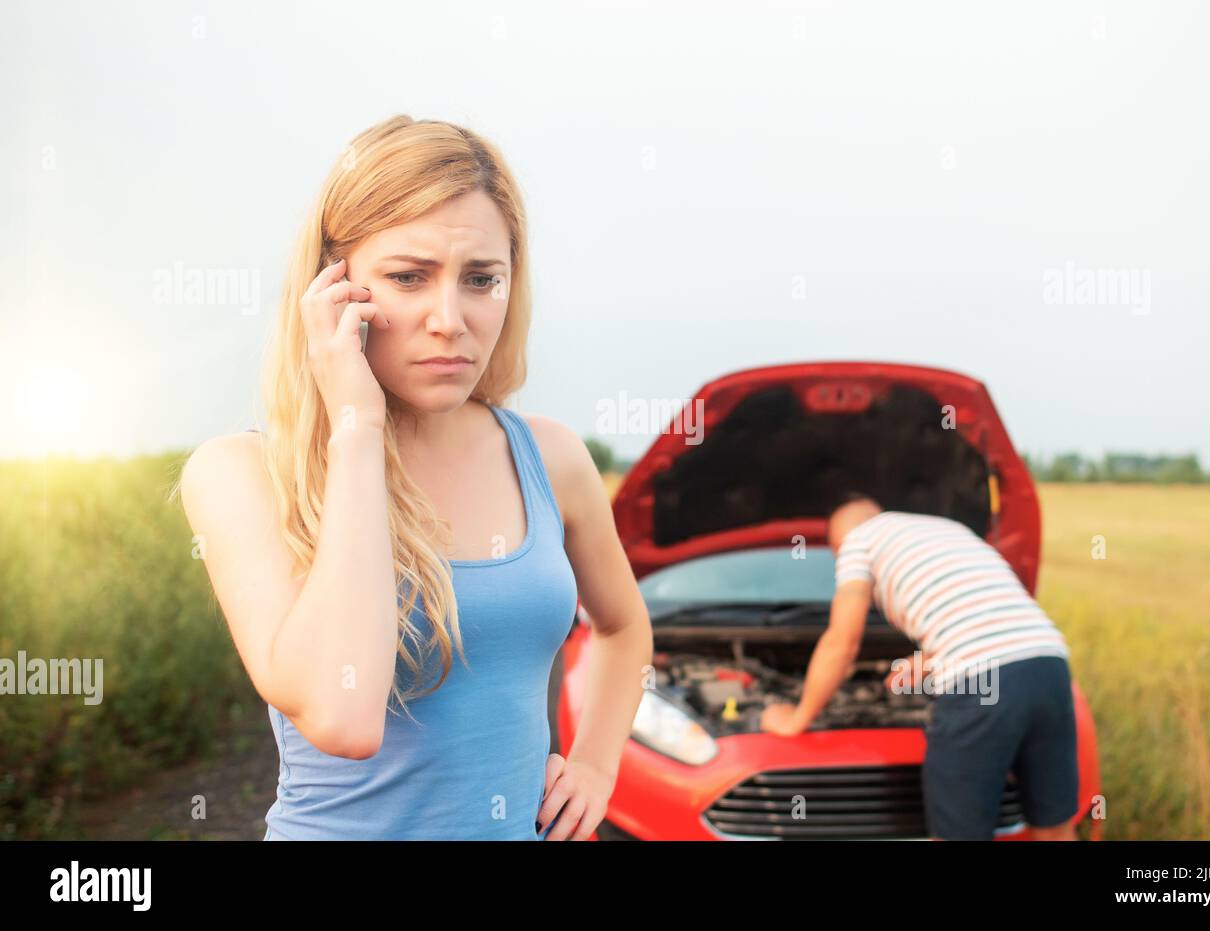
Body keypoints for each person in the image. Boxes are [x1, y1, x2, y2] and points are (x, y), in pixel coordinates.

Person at [175, 115, 652, 840]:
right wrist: (357, 430)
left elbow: (622, 627)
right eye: (408, 277)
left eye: (481, 279)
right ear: (330, 288)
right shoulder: (243, 474)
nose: (449, 319)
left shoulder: (550, 458)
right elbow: (343, 717)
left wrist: (594, 766)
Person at [760, 493, 1080, 841]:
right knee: (1055, 829)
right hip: (1048, 663)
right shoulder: (949, 530)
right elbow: (983, 609)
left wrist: (797, 717)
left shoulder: (858, 541)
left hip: (983, 683)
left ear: (839, 541)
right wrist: (930, 659)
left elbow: (842, 641)